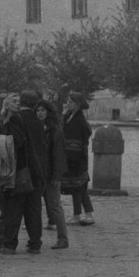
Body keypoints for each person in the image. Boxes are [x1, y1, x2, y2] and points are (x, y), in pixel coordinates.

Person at [0, 91, 45, 255]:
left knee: (14, 208)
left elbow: (15, 144)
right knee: (33, 209)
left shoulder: (16, 119)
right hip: (36, 170)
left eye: (18, 101)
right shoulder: (39, 121)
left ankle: (9, 244)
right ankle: (35, 243)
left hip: (21, 169)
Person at [35, 99, 70, 250]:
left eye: (42, 110)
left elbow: (59, 154)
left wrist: (57, 176)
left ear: (48, 112)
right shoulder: (36, 127)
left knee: (55, 206)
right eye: (38, 110)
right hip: (39, 173)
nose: (40, 113)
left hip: (50, 174)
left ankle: (63, 238)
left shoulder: (55, 129)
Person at [63, 92, 96, 225]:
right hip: (69, 157)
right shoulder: (68, 116)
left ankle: (85, 214)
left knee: (79, 186)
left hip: (77, 158)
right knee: (76, 187)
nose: (67, 103)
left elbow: (81, 138)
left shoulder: (79, 120)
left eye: (70, 101)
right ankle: (80, 214)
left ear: (77, 104)